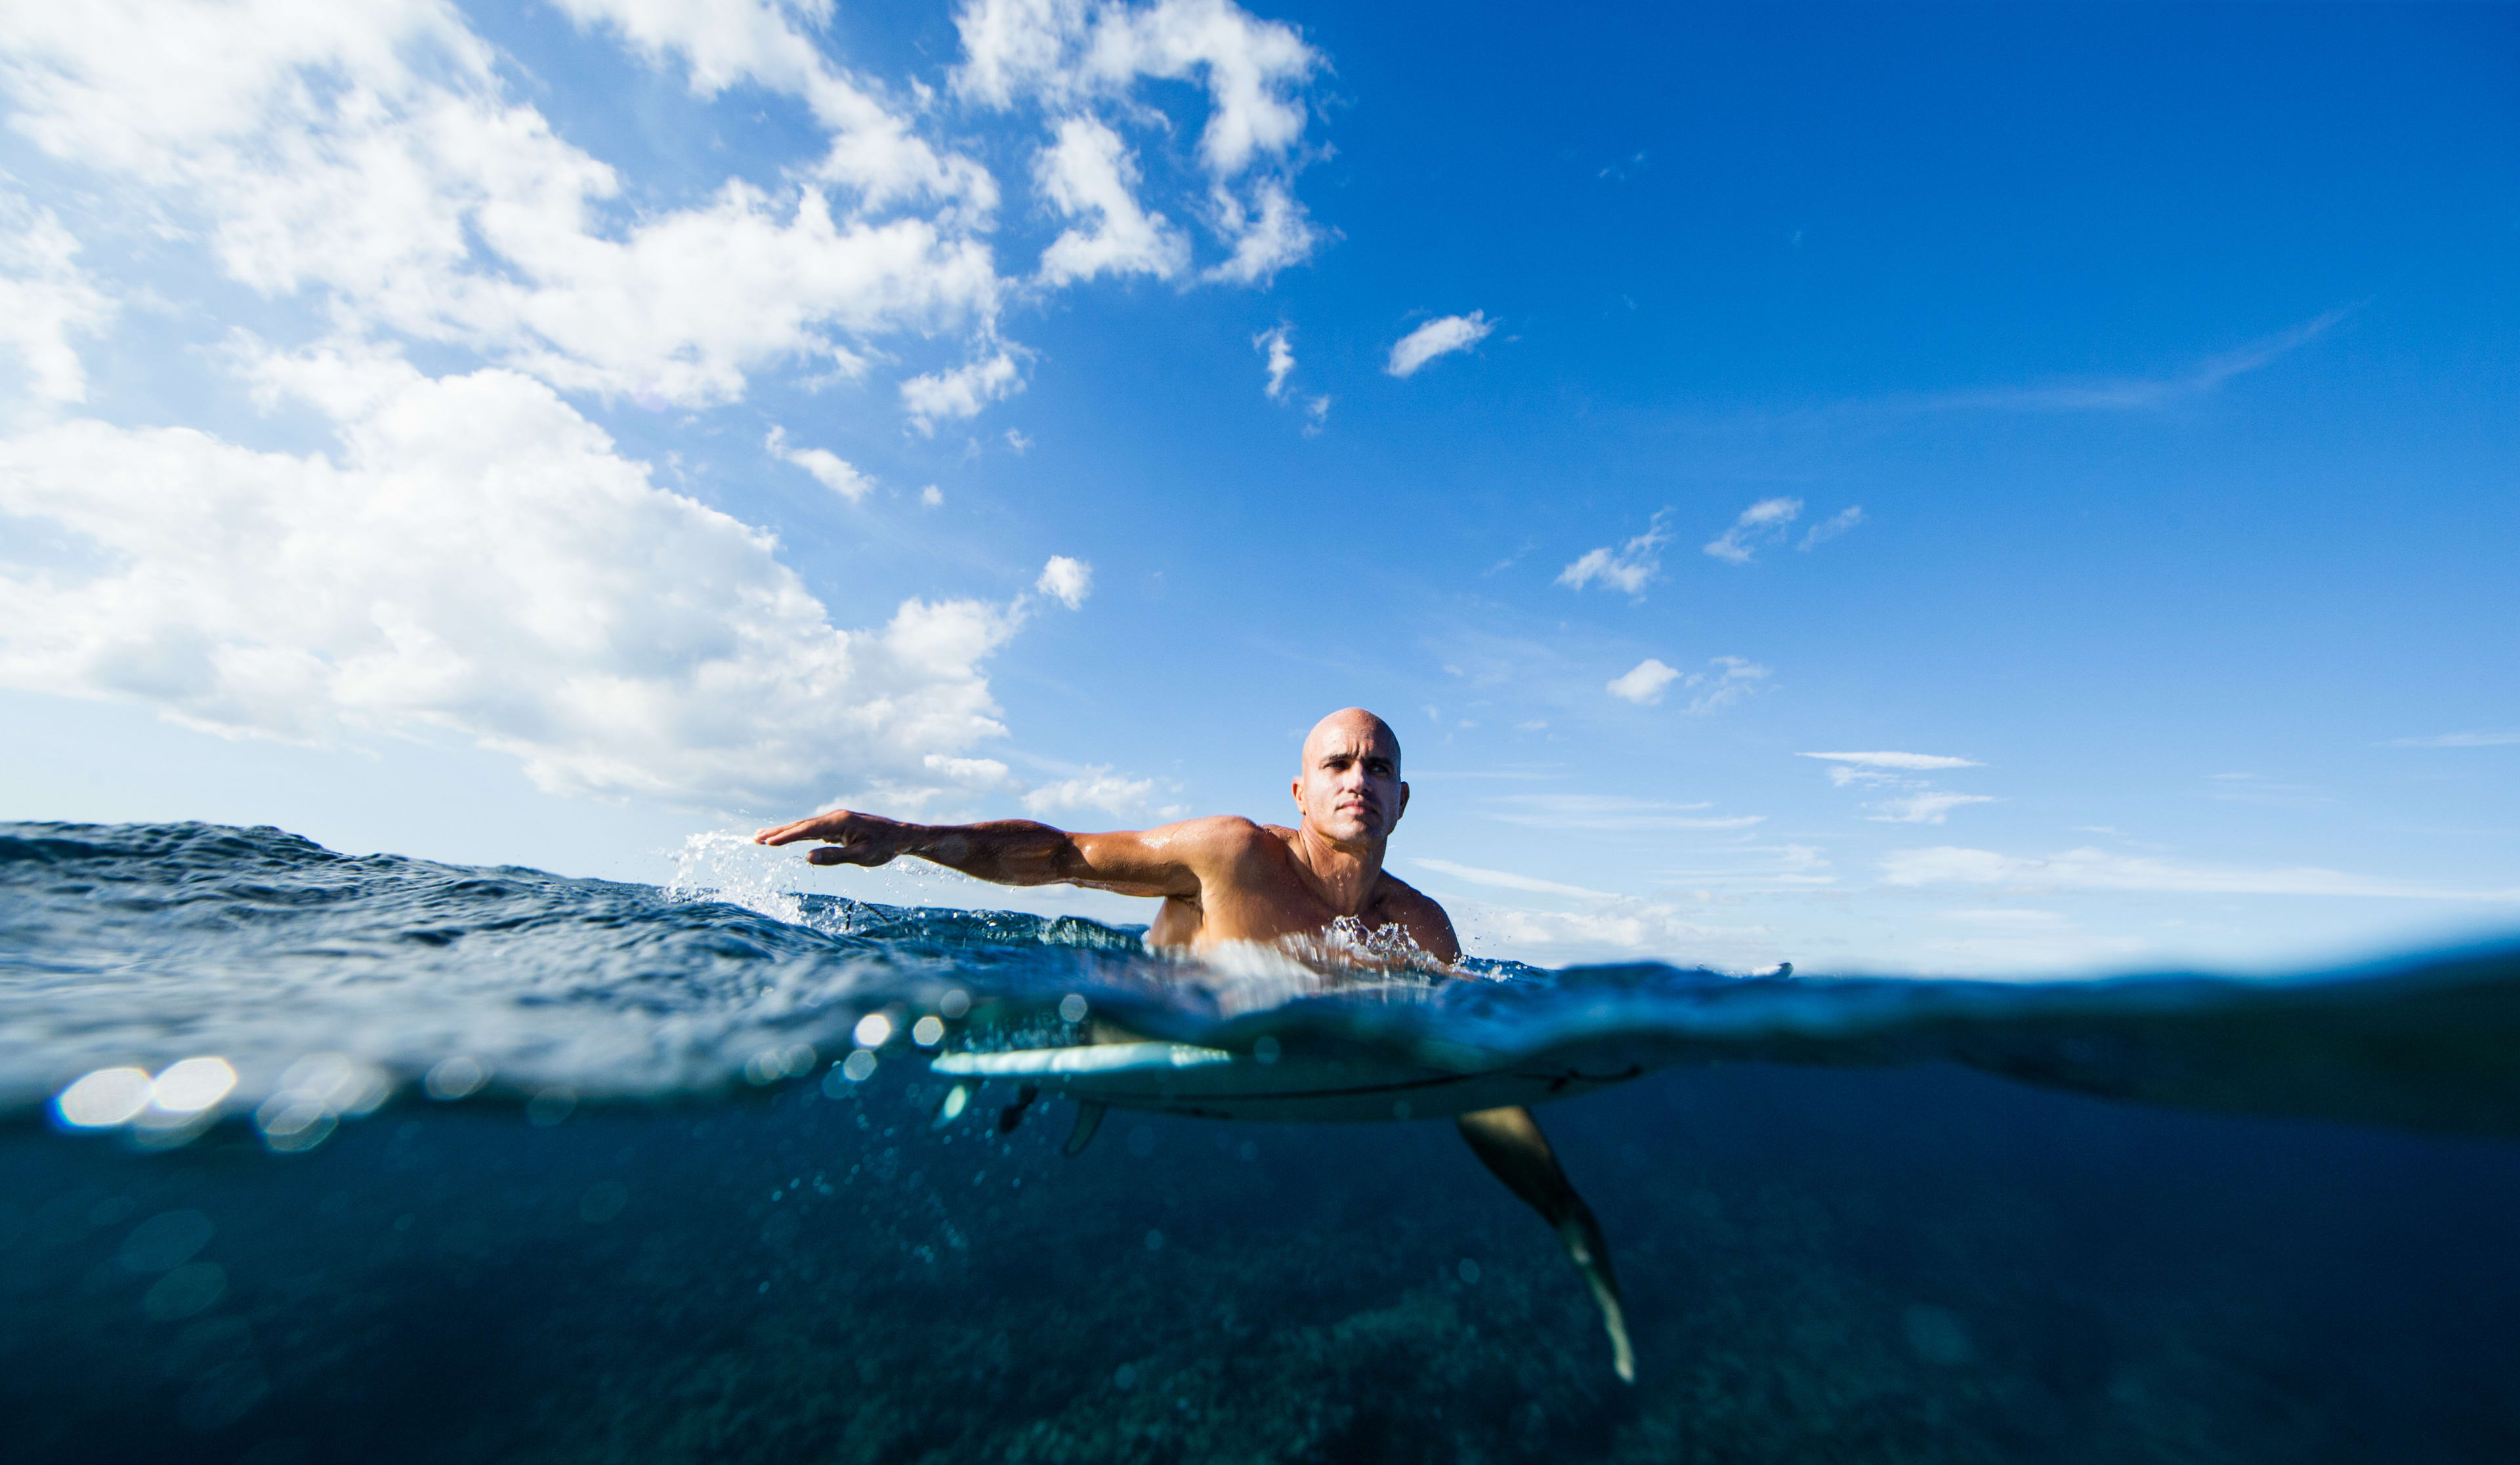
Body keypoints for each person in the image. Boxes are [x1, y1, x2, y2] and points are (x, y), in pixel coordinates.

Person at [754, 707, 1635, 1382]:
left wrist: (1563, 1202)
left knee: (1531, 1147)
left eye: (1379, 766)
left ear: (1403, 799)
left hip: (1266, 1030)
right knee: (1127, 971)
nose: (1357, 778)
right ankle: (1049, 1085)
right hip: (1153, 1002)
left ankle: (1572, 1224)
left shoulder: (1420, 926)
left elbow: (1461, 1065)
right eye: (1336, 763)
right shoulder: (1234, 853)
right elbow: (1065, 855)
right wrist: (910, 840)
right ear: (1301, 791)